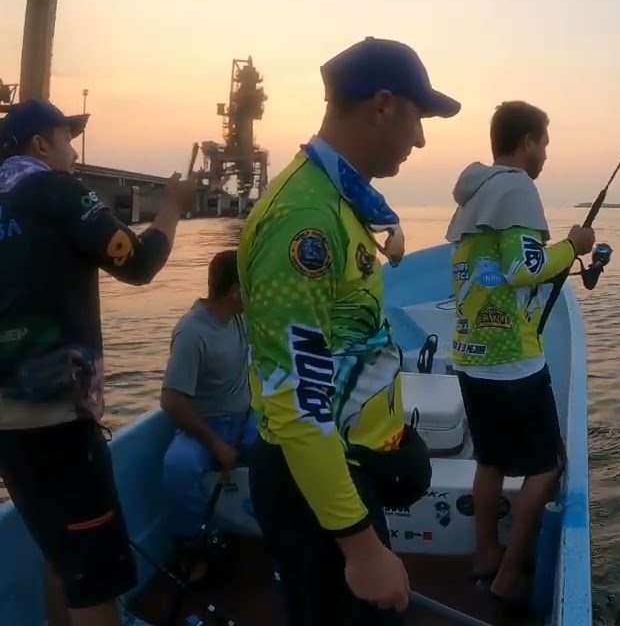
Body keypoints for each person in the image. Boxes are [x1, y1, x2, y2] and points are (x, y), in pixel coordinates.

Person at [238, 37, 459, 625]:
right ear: (383, 106)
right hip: (317, 485)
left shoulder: (338, 197)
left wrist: (390, 232)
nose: (420, 139)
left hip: (341, 465)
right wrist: (361, 549)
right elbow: (298, 402)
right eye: (418, 119)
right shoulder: (305, 223)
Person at [0, 98, 195, 626]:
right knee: (96, 582)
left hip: (9, 429)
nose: (71, 148)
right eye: (66, 137)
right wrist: (174, 204)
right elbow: (140, 263)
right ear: (41, 145)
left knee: (61, 554)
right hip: (59, 422)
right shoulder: (56, 189)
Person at [444, 100, 595, 608]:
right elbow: (525, 268)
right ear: (526, 140)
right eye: (544, 142)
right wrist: (574, 246)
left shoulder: (475, 194)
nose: (546, 153)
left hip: (470, 354)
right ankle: (508, 576)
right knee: (548, 465)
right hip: (512, 359)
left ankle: (484, 554)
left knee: (489, 460)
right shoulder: (517, 188)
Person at [159, 249, 256, 583]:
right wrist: (216, 445)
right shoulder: (191, 333)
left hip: (247, 420)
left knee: (292, 448)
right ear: (234, 291)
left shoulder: (240, 317)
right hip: (206, 427)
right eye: (250, 284)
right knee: (178, 466)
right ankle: (193, 547)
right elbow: (171, 401)